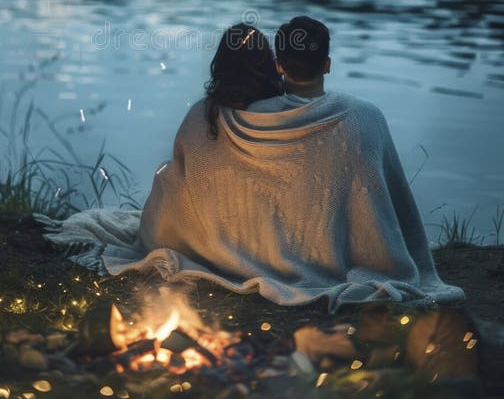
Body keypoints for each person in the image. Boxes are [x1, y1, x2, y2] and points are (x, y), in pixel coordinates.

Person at [38, 16, 465, 312]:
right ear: (326, 64)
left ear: (281, 65)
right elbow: (385, 207)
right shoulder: (360, 117)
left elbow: (179, 189)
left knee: (171, 183)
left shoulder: (204, 116)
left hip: (213, 243)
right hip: (314, 257)